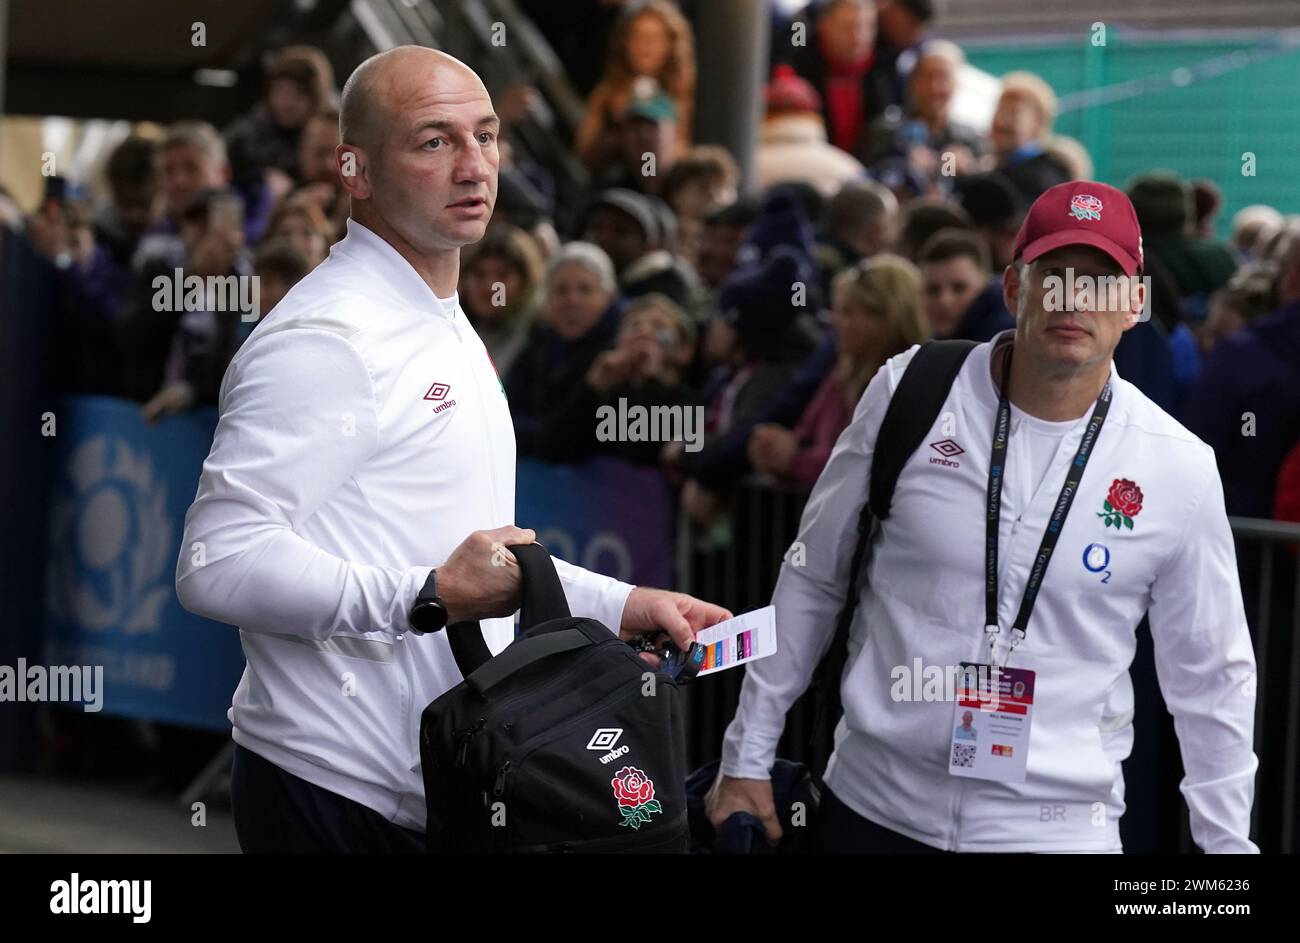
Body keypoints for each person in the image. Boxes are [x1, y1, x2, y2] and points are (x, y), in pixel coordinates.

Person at [176, 46, 730, 854]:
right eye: (434, 141)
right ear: (355, 170)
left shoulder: (436, 310)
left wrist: (617, 603)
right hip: (335, 787)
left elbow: (463, 550)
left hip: (430, 786)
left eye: (486, 135)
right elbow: (215, 561)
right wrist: (428, 592)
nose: (474, 165)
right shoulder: (327, 338)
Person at [707, 181, 1258, 853]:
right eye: (1053, 274)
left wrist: (1228, 851)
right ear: (1012, 288)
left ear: (1135, 303)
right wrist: (746, 756)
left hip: (1055, 833)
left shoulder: (1177, 466)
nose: (1072, 299)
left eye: (1101, 281)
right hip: (871, 810)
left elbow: (1212, 675)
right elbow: (812, 578)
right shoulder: (909, 390)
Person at [749, 253, 928, 486]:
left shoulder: (910, 384)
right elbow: (805, 435)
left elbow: (864, 466)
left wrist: (794, 460)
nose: (835, 321)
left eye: (848, 312)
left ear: (887, 317)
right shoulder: (841, 372)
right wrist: (775, 446)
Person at [576, 0, 696, 170]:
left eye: (655, 37)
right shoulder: (607, 93)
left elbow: (659, 166)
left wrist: (662, 144)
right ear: (625, 41)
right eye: (638, 36)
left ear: (670, 43)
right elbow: (584, 152)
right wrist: (619, 127)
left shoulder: (685, 94)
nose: (646, 46)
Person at [917, 227, 1014, 341]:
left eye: (959, 288)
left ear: (986, 284)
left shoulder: (1004, 345)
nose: (944, 301)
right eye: (933, 290)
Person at [989, 72, 1070, 205]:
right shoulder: (996, 166)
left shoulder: (1043, 178)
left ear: (1038, 123)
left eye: (1013, 113)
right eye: (1000, 110)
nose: (1001, 121)